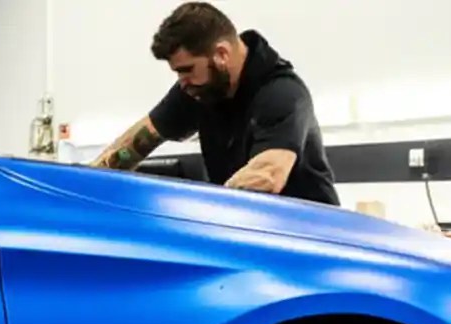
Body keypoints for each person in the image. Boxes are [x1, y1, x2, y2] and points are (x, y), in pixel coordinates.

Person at [90, 2, 339, 206]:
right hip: (254, 233)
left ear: (221, 54)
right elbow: (138, 141)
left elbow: (267, 175)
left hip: (313, 241)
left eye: (187, 70)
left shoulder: (282, 93)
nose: (182, 83)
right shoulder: (200, 89)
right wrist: (83, 183)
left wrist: (204, 208)